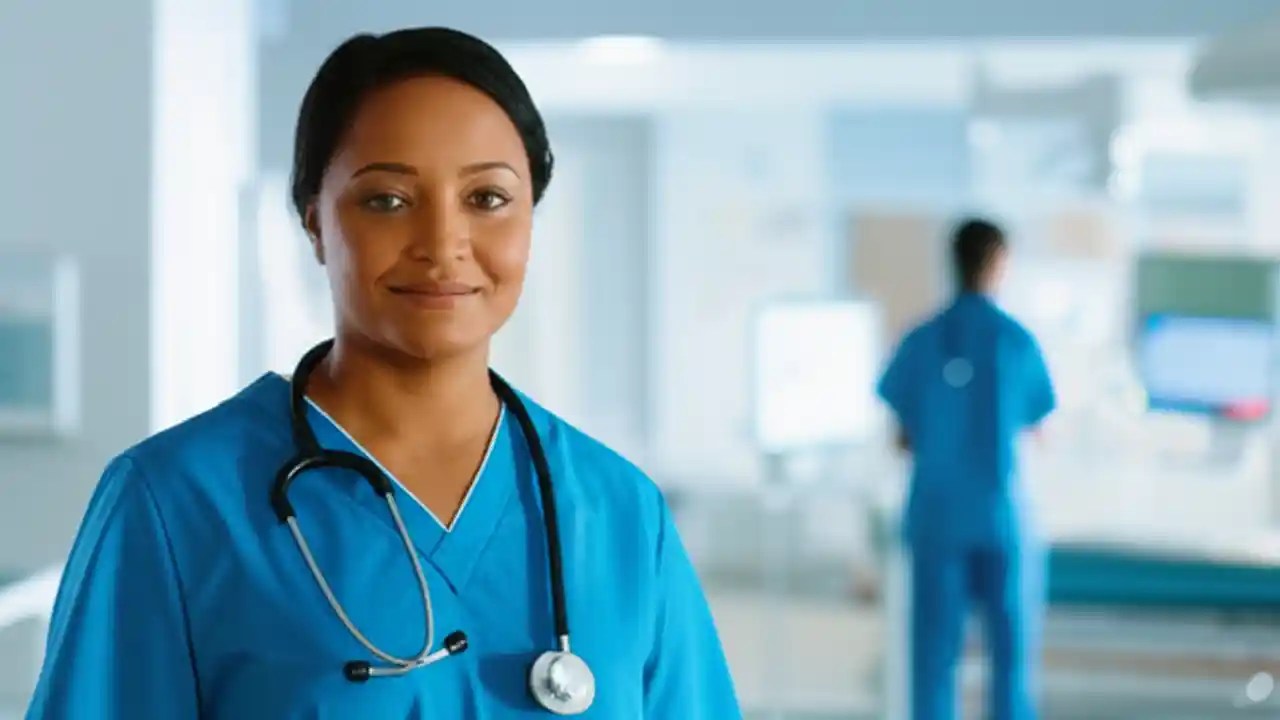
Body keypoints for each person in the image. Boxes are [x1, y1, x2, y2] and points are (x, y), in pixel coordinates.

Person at [26, 27, 739, 719]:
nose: (442, 245)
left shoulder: (618, 513)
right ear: (314, 223)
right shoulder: (176, 503)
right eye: (387, 201)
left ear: (530, 219)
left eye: (487, 199)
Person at [876, 218, 1056, 720]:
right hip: (1001, 521)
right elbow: (1039, 428)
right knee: (1011, 661)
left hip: (938, 518)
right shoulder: (1016, 342)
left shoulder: (919, 341)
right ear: (999, 263)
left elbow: (902, 438)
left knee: (934, 660)